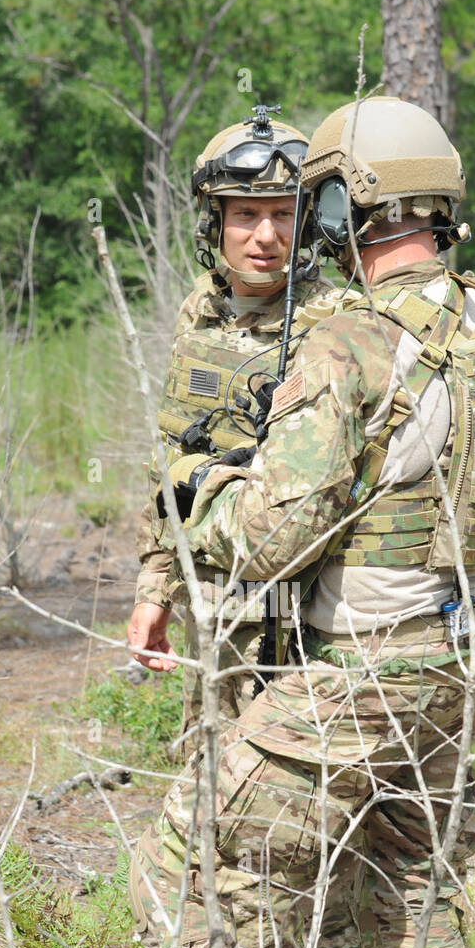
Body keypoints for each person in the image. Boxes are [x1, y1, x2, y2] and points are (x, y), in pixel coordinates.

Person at [29, 97, 475, 948]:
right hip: (467, 671)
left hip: (361, 671)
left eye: (304, 200)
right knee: (419, 892)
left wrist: (203, 493)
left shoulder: (350, 337)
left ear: (340, 204)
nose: (281, 229)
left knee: (201, 855)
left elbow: (272, 536)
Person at [126, 105, 343, 746]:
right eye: (245, 215)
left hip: (309, 606)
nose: (265, 236)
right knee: (210, 758)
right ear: (215, 223)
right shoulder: (202, 311)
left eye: (284, 214)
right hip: (213, 596)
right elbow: (175, 458)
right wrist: (155, 592)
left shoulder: (338, 324)